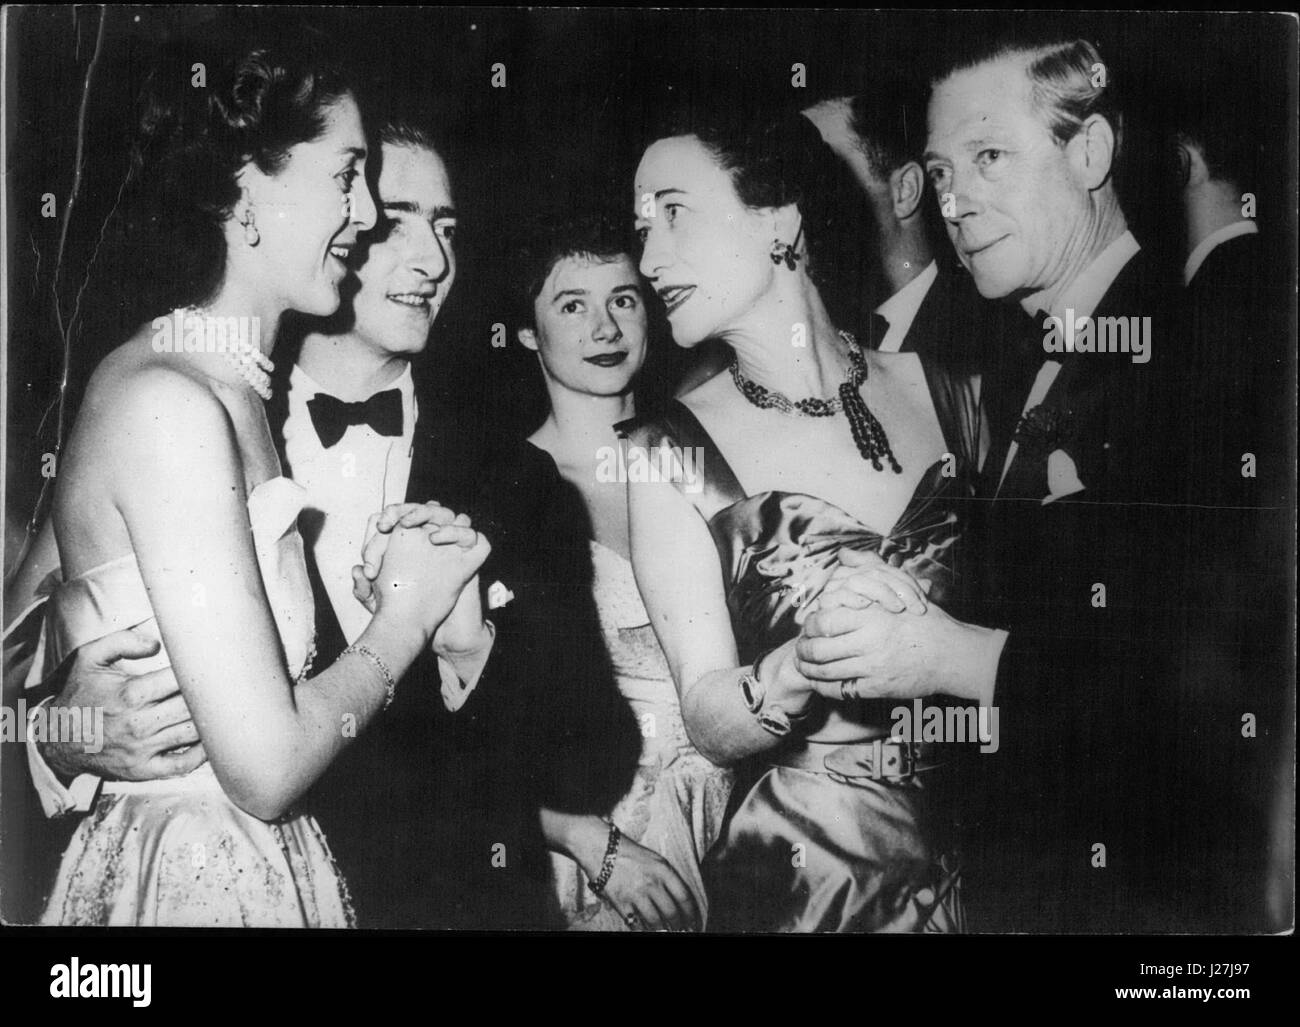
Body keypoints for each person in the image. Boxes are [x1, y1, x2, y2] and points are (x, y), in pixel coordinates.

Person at [22, 116, 641, 930]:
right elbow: (19, 658)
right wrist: (55, 741)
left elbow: (595, 760)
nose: (433, 260)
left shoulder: (516, 476)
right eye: (391, 221)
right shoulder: (193, 408)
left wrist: (469, 650)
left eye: (446, 227)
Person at [796, 32, 1258, 932]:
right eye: (939, 170)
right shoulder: (1003, 358)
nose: (957, 201)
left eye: (990, 156)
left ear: (1088, 153)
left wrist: (943, 656)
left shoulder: (1195, 359)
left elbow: (1199, 686)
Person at [620, 106, 988, 932]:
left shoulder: (955, 389)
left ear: (779, 217)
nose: (649, 260)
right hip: (812, 884)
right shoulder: (666, 454)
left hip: (997, 851)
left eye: (673, 213)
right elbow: (710, 718)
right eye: (643, 229)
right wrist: (792, 669)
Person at [510, 212, 735, 930]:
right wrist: (592, 844)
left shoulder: (701, 454)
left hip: (737, 821)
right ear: (525, 333)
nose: (605, 329)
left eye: (625, 298)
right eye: (571, 305)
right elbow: (464, 740)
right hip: (595, 855)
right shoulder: (507, 487)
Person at [802, 91, 1006, 372]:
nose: (802, 202)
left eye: (828, 175)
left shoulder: (990, 335)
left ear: (905, 191)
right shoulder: (821, 335)